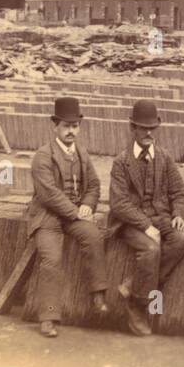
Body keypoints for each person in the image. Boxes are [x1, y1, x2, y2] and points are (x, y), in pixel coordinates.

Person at [108, 100, 184, 336]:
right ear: (132, 128)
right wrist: (146, 226)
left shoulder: (164, 158)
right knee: (150, 249)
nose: (148, 133)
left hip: (162, 218)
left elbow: (179, 192)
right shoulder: (121, 162)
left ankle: (132, 285)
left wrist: (177, 214)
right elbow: (119, 204)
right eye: (142, 128)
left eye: (151, 128)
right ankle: (137, 306)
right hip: (130, 222)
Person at [26, 97, 109, 338]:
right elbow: (49, 194)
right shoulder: (42, 156)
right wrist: (77, 213)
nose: (71, 131)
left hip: (75, 215)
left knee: (94, 236)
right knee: (51, 259)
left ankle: (98, 294)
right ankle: (48, 317)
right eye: (66, 125)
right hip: (48, 217)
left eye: (75, 126)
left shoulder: (82, 153)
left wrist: (87, 206)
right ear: (56, 126)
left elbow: (94, 184)